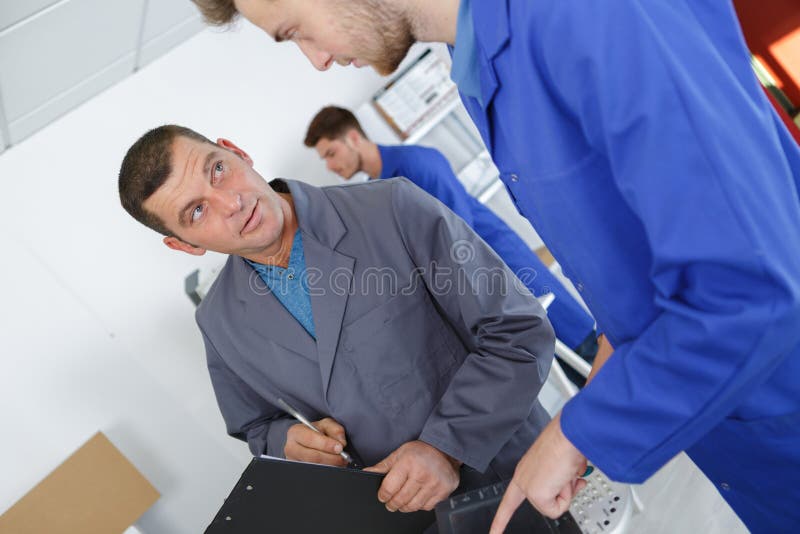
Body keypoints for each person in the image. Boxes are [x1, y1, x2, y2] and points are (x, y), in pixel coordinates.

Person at [191, 1, 800, 532]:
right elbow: (651, 252)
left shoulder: (583, 15)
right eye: (194, 214)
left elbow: (745, 290)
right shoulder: (485, 78)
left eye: (296, 30)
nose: (316, 62)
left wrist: (577, 431)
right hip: (741, 437)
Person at [118, 124, 557, 515]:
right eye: (196, 212)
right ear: (185, 246)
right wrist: (288, 441)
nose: (230, 202)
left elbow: (517, 331)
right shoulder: (219, 323)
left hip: (513, 478)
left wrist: (446, 448)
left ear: (237, 151)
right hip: (401, 515)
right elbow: (255, 425)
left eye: (217, 170)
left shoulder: (390, 208)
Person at [304, 105, 599, 383]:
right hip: (484, 290)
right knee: (560, 369)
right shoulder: (376, 192)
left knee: (587, 356)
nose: (330, 166)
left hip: (505, 268)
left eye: (331, 153)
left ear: (354, 138)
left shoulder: (416, 163)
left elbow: (460, 232)